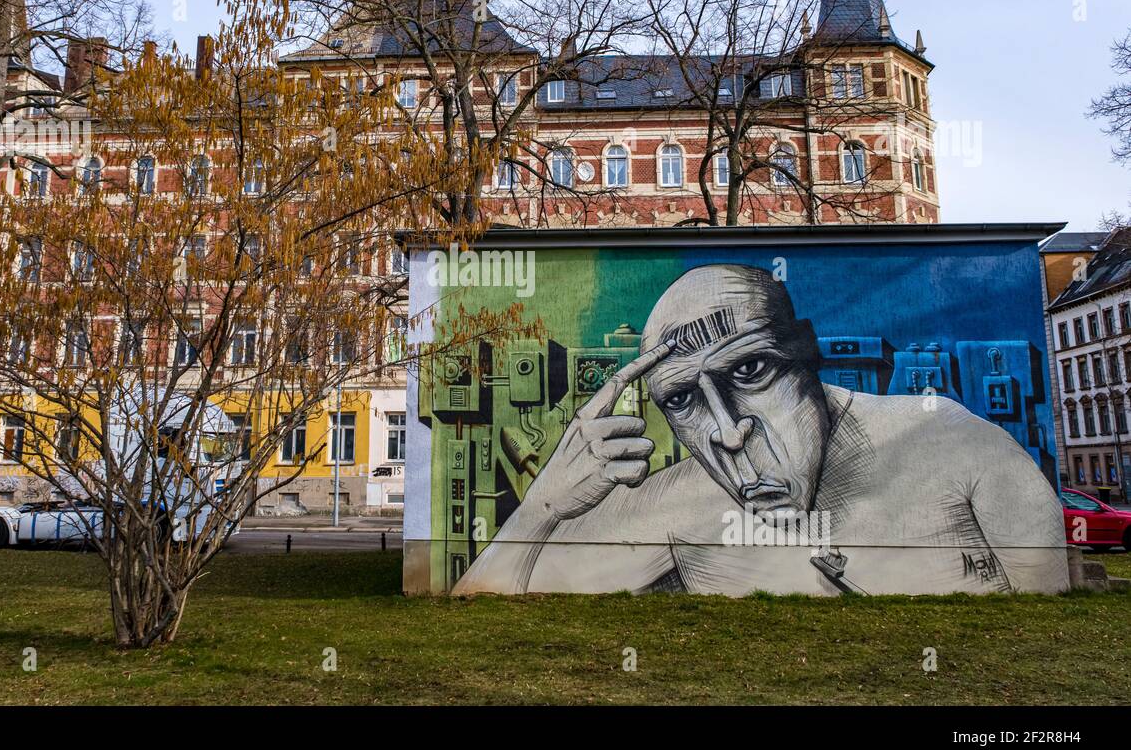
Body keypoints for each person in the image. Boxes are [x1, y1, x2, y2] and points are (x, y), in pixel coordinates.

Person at [454, 264, 1069, 596]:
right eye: (684, 400)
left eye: (750, 370)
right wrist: (542, 507)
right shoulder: (677, 504)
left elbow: (1049, 644)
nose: (727, 432)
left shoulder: (954, 449)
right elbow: (478, 612)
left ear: (805, 359)